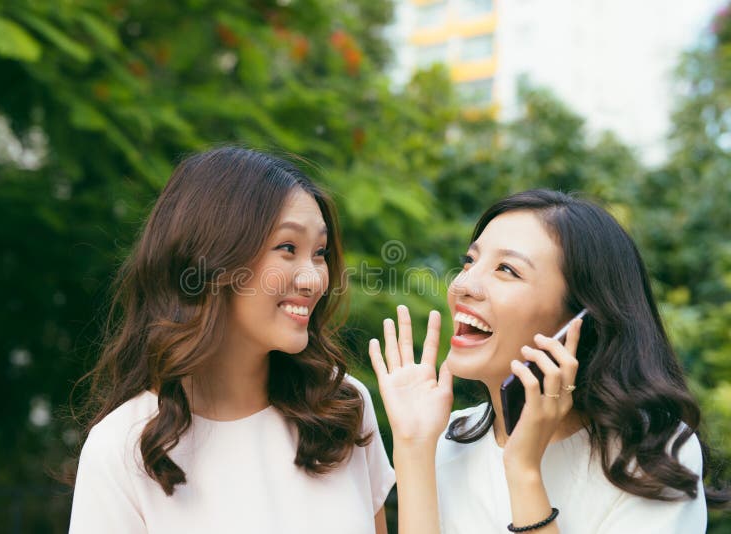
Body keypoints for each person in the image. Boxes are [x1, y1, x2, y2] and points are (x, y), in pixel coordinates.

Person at [69, 147, 394, 533]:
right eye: (288, 248)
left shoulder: (341, 411)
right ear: (212, 259)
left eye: (320, 253)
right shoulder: (121, 448)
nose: (314, 279)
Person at [369, 189, 728, 533]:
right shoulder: (452, 437)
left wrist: (523, 470)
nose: (463, 284)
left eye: (507, 270)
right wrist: (413, 446)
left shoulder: (653, 454)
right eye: (470, 261)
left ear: (580, 319)